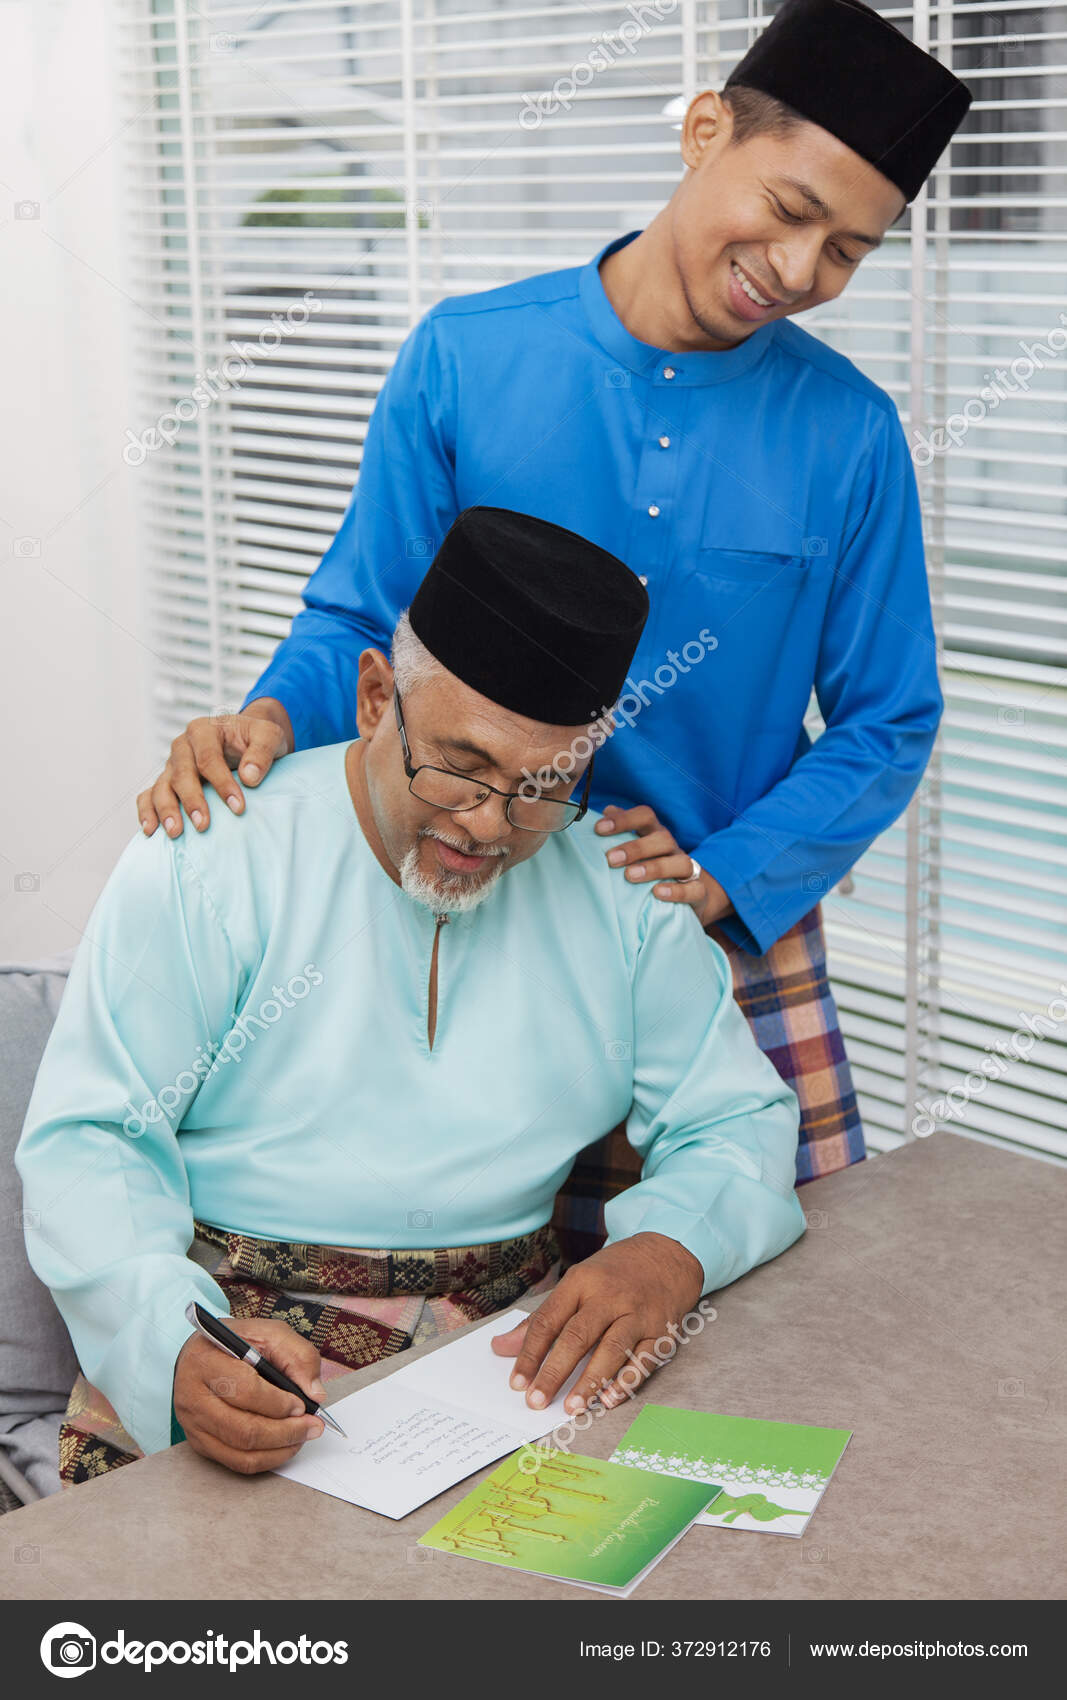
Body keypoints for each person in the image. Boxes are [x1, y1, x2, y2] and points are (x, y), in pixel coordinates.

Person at [135, 0, 973, 1189]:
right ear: (701, 132)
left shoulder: (850, 436)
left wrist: (729, 872)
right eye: (789, 210)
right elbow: (361, 616)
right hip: (465, 889)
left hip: (714, 934)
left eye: (846, 250)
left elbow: (890, 716)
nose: (798, 270)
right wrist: (270, 719)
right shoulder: (467, 358)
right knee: (489, 1311)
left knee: (788, 1309)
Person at [17, 509, 805, 1483]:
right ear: (373, 695)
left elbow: (738, 1116)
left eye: (539, 787)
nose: (488, 824)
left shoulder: (617, 892)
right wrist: (163, 1338)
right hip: (236, 1329)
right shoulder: (208, 857)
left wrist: (669, 1249)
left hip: (509, 1356)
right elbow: (90, 1139)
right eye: (460, 769)